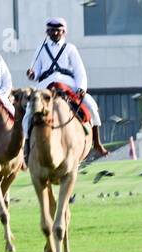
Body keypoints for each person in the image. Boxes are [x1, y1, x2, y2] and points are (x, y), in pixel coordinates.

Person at [24, 16, 107, 157]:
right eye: (52, 30)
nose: (55, 33)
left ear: (64, 32)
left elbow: (80, 70)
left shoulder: (70, 49)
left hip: (68, 85)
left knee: (91, 105)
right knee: (28, 112)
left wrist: (81, 88)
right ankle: (26, 145)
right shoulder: (41, 49)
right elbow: (36, 72)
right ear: (47, 32)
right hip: (46, 86)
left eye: (58, 30)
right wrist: (32, 74)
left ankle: (97, 142)